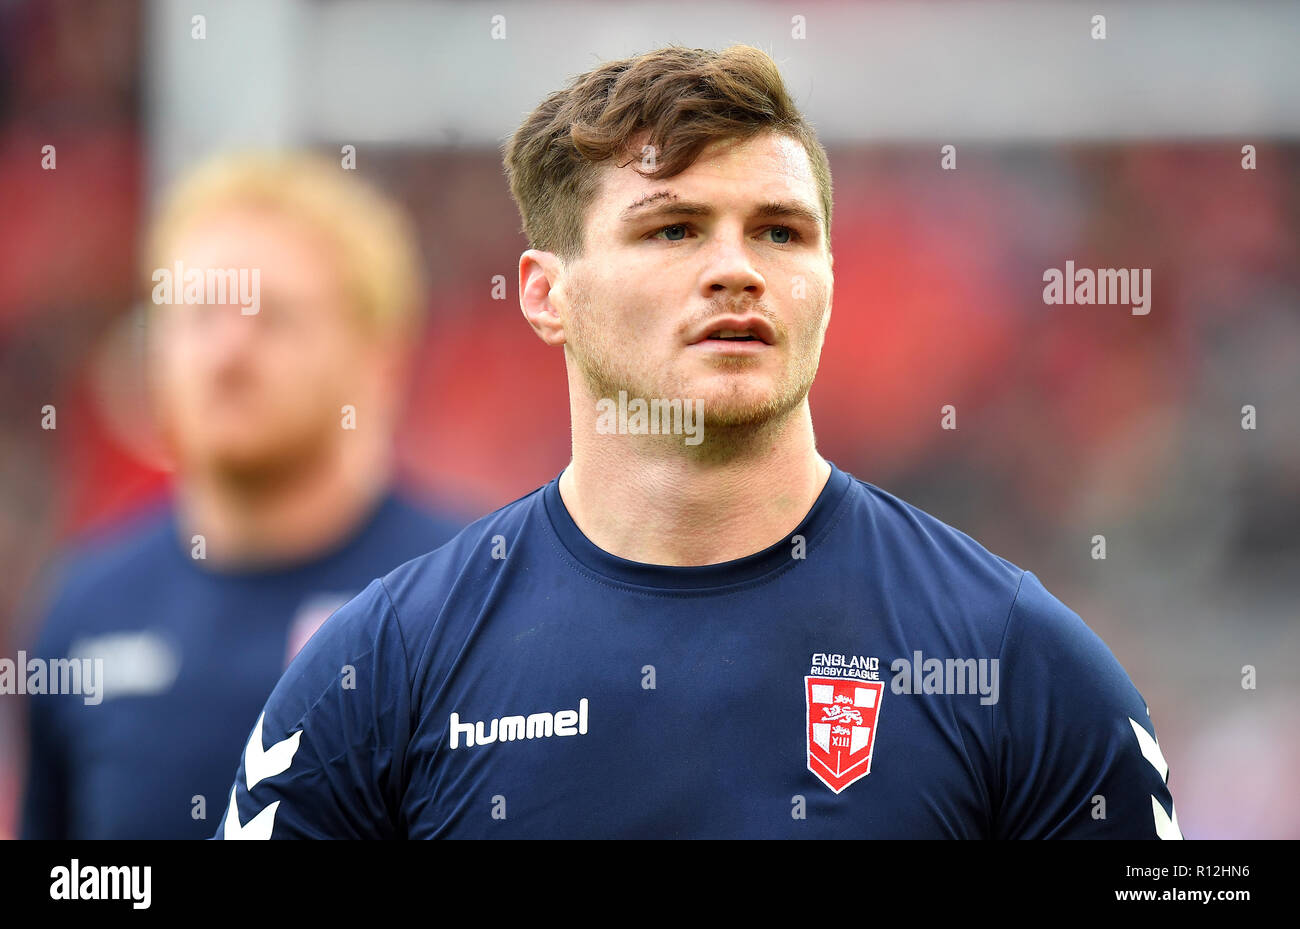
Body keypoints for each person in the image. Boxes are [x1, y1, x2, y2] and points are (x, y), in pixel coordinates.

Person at [215, 46, 1181, 839]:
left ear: (830, 278)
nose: (736, 270)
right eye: (674, 230)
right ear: (547, 295)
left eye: (780, 232)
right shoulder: (388, 668)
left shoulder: (1013, 655)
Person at [20, 151, 464, 839]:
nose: (228, 352)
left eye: (273, 317)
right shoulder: (87, 605)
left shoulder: (465, 598)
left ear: (377, 354)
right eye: (198, 314)